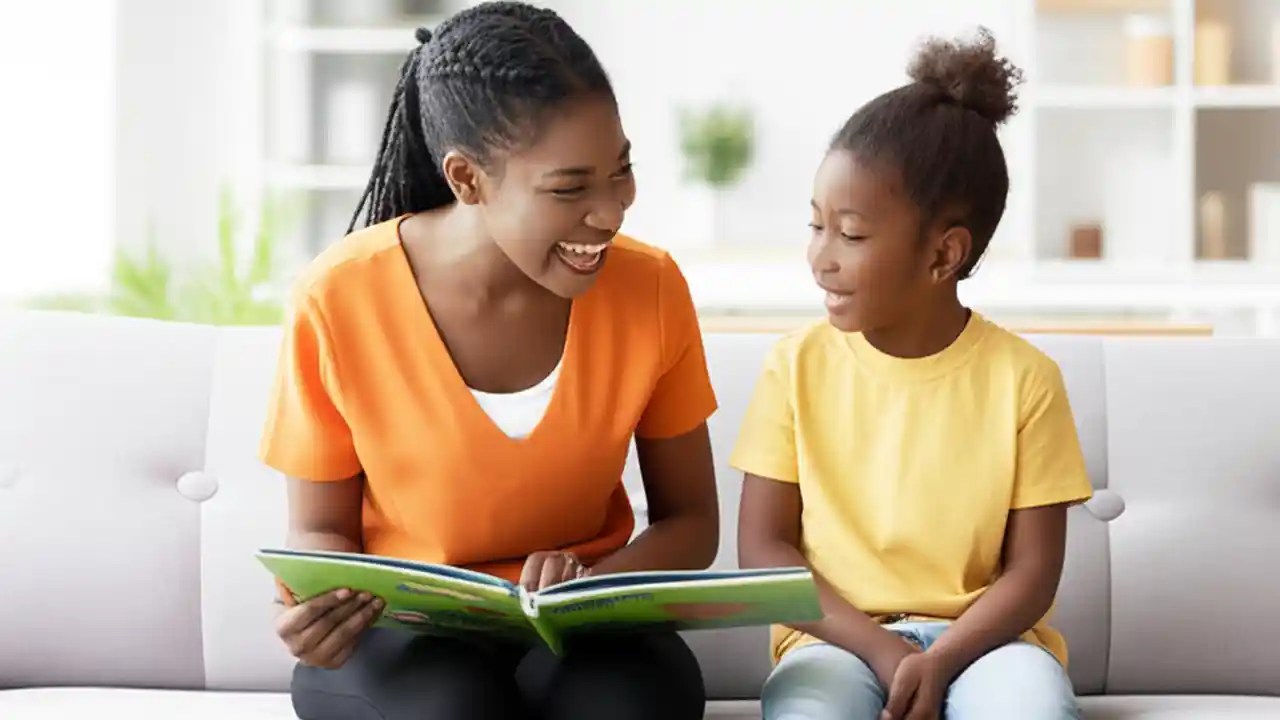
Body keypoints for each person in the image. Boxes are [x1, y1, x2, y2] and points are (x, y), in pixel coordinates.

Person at [257, 3, 719, 719]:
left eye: (620, 170)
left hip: (583, 628)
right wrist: (318, 608)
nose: (610, 211)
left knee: (629, 702)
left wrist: (588, 582)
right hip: (406, 636)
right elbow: (319, 530)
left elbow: (690, 522)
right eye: (569, 188)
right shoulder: (339, 297)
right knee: (452, 708)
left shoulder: (650, 289)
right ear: (467, 179)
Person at [731, 28, 1093, 720]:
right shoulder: (793, 366)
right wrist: (881, 648)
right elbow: (762, 546)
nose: (821, 257)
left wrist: (941, 657)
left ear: (943, 255)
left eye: (852, 234)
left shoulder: (1027, 380)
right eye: (816, 226)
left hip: (992, 647)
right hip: (833, 643)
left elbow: (1034, 573)